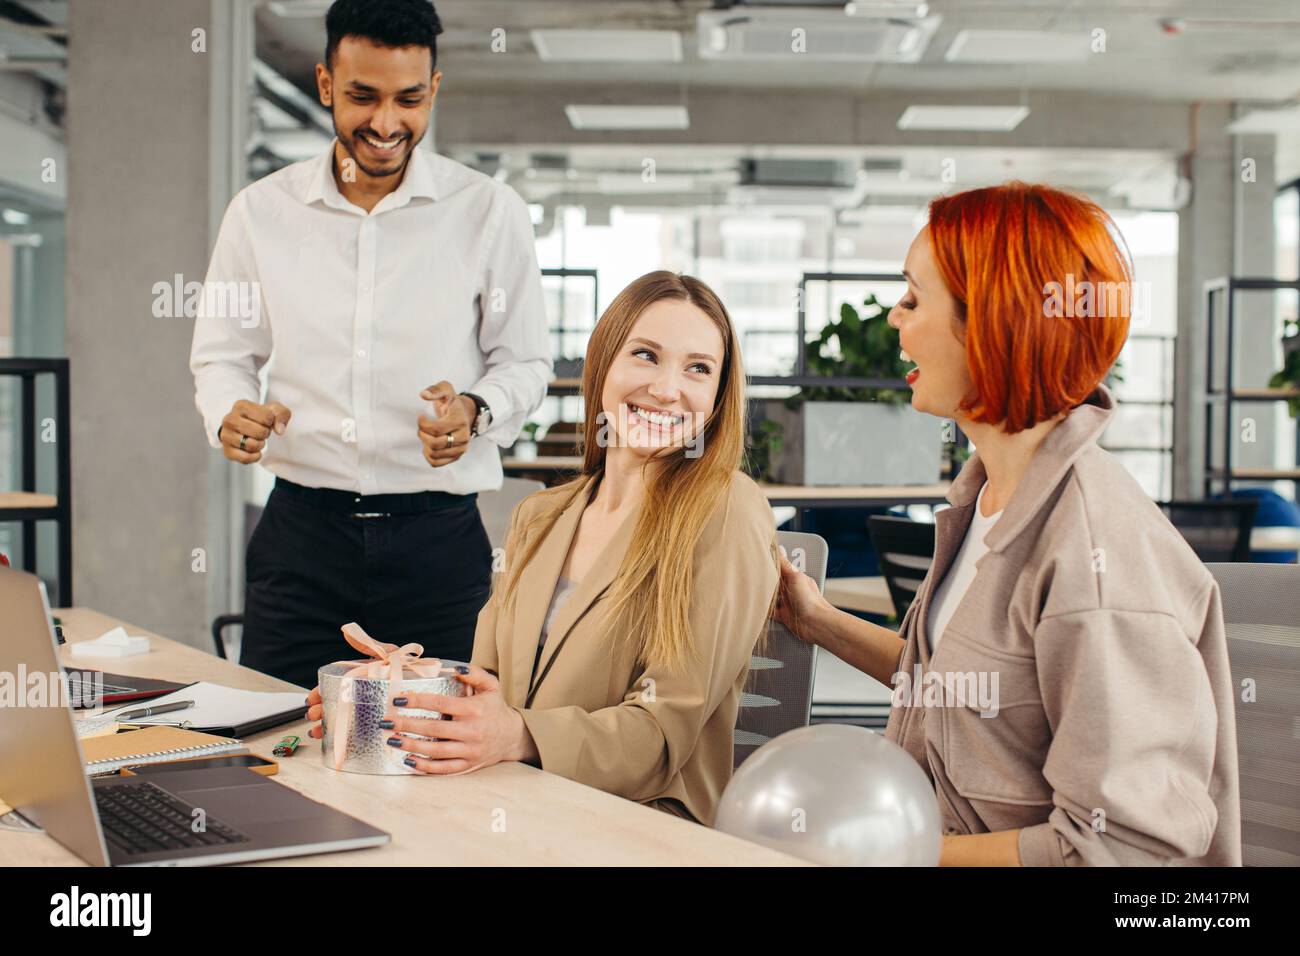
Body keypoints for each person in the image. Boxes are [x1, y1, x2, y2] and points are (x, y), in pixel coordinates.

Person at [776, 182, 1241, 866]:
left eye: (913, 297)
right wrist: (816, 620)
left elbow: (1126, 848)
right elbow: (958, 688)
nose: (894, 320)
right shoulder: (988, 495)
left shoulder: (1093, 550)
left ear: (995, 319)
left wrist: (896, 851)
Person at [307, 271, 780, 825]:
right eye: (646, 355)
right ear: (603, 363)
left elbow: (661, 735)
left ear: (719, 397)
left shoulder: (725, 510)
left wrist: (521, 735)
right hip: (508, 801)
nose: (668, 388)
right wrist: (396, 693)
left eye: (698, 368)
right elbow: (487, 691)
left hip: (638, 824)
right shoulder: (541, 515)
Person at [189, 0, 550, 689]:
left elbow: (526, 359)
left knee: (443, 758)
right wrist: (228, 408)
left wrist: (475, 410)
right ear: (325, 84)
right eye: (362, 96)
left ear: (433, 91)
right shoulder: (261, 212)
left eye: (409, 99)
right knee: (275, 746)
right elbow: (222, 353)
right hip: (301, 535)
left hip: (437, 545)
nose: (386, 124)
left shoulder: (486, 211)